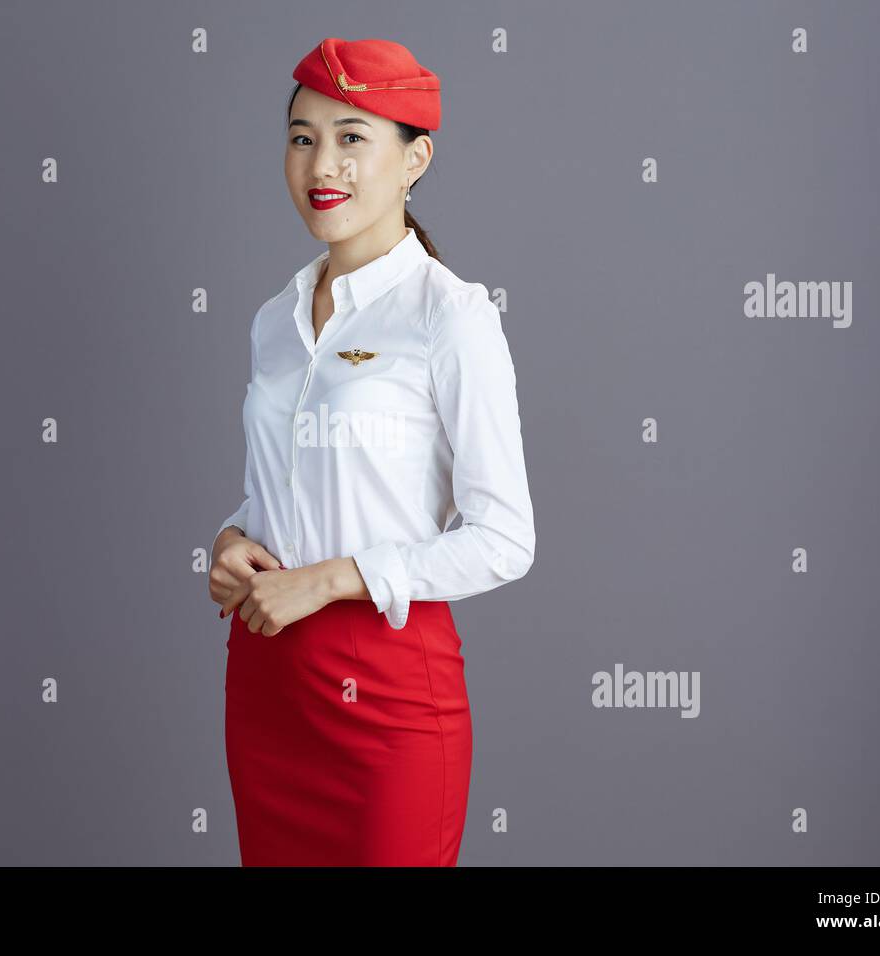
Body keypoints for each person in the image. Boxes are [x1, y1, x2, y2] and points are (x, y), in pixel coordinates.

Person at [208, 37, 536, 866]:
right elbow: (290, 489)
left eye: (352, 137)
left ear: (414, 159)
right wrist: (232, 538)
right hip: (267, 681)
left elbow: (505, 540)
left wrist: (328, 580)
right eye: (302, 137)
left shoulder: (449, 314)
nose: (323, 164)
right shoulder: (274, 319)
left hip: (388, 694)